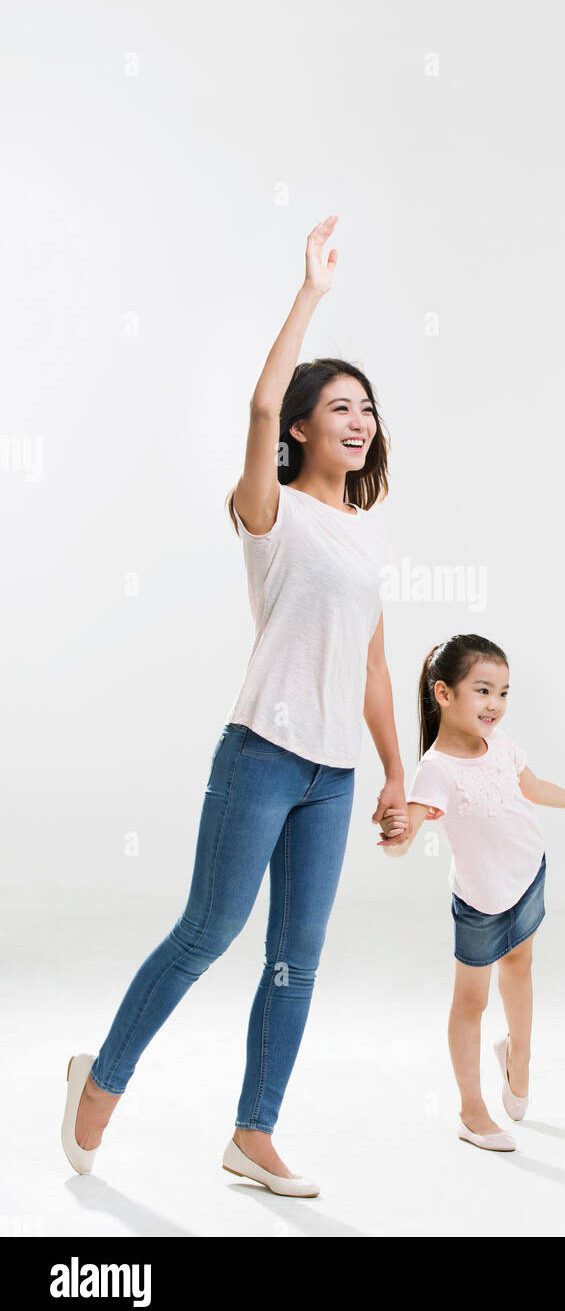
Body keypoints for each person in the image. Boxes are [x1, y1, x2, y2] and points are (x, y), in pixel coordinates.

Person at [61, 216, 411, 1196]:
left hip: (334, 777)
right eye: (336, 406)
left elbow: (376, 667)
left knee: (295, 959)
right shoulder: (268, 510)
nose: (356, 419)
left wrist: (397, 773)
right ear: (302, 427)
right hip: (260, 755)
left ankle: (252, 1133)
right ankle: (103, 1077)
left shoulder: (364, 537)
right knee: (207, 933)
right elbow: (259, 408)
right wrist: (310, 295)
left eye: (367, 408)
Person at [378, 634, 565, 1151]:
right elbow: (408, 835)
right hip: (481, 902)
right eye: (484, 691)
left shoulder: (503, 744)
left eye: (504, 693)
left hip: (528, 876)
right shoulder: (436, 770)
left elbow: (530, 787)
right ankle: (472, 1110)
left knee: (521, 966)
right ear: (443, 694)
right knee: (470, 1002)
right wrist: (396, 837)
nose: (496, 705)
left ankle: (520, 1055)